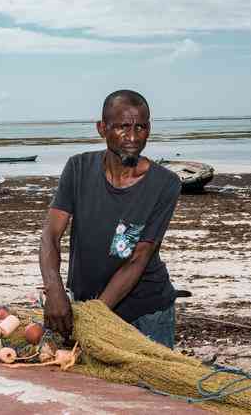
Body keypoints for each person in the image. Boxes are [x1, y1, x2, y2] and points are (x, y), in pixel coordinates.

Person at [39, 89, 182, 348]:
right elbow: (51, 234)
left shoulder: (165, 183)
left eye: (140, 127)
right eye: (122, 127)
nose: (133, 137)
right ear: (102, 128)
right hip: (85, 304)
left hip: (146, 314)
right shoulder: (78, 168)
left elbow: (138, 258)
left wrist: (96, 315)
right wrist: (54, 289)